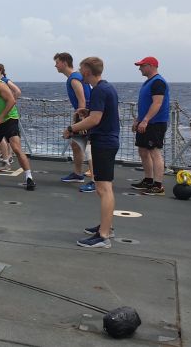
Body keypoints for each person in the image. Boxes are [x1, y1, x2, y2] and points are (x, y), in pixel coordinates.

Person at [63, 56, 119, 248]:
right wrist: (88, 112)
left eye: (81, 68)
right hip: (106, 140)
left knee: (104, 189)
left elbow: (95, 120)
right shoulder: (106, 88)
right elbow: (100, 115)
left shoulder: (99, 90)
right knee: (103, 187)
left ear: (87, 70)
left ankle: (103, 236)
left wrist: (72, 129)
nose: (80, 72)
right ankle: (106, 226)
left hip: (104, 142)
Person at [53, 52, 96, 191]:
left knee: (88, 147)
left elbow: (82, 99)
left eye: (57, 62)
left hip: (85, 115)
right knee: (76, 144)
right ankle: (78, 174)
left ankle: (95, 180)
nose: (55, 65)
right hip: (83, 114)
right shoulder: (74, 77)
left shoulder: (74, 79)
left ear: (64, 63)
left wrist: (80, 119)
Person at [131, 56, 170, 196]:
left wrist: (146, 120)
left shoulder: (158, 82)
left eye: (142, 66)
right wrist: (138, 120)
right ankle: (148, 180)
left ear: (151, 65)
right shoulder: (149, 82)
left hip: (155, 123)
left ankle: (158, 185)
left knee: (154, 151)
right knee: (143, 150)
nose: (140, 68)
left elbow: (157, 103)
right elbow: (146, 103)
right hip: (146, 122)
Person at [0, 63, 19, 168]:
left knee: (9, 137)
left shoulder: (5, 81)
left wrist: (10, 102)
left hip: (8, 113)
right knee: (4, 135)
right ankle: (5, 155)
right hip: (0, 112)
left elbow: (17, 91)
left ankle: (9, 156)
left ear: (1, 70)